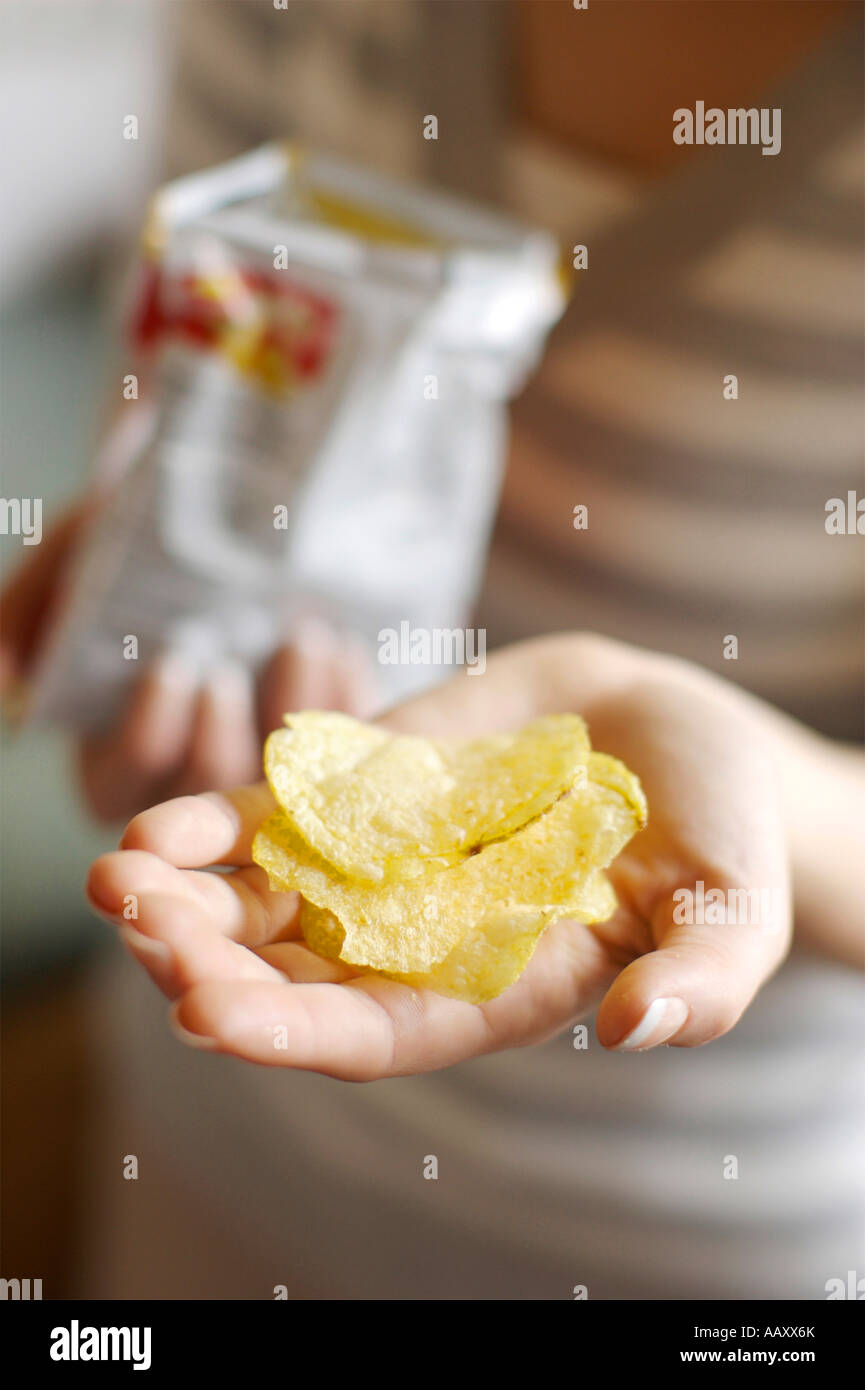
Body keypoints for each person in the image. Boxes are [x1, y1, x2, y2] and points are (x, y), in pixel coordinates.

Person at [2, 0, 862, 1299]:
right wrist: (139, 646)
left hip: (697, 1234)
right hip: (222, 1095)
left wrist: (770, 804)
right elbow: (171, 387)